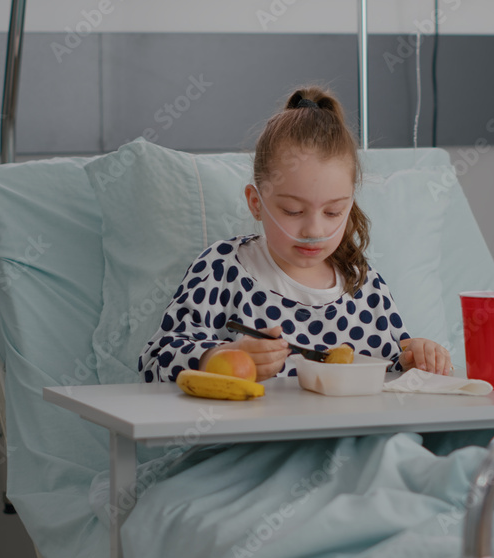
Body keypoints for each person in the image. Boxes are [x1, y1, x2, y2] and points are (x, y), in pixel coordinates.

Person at [139, 85, 452, 383]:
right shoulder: (223, 269)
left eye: (333, 212)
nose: (314, 230)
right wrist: (222, 358)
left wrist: (418, 357)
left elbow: (393, 369)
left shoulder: (366, 286)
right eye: (292, 211)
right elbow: (155, 362)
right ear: (255, 202)